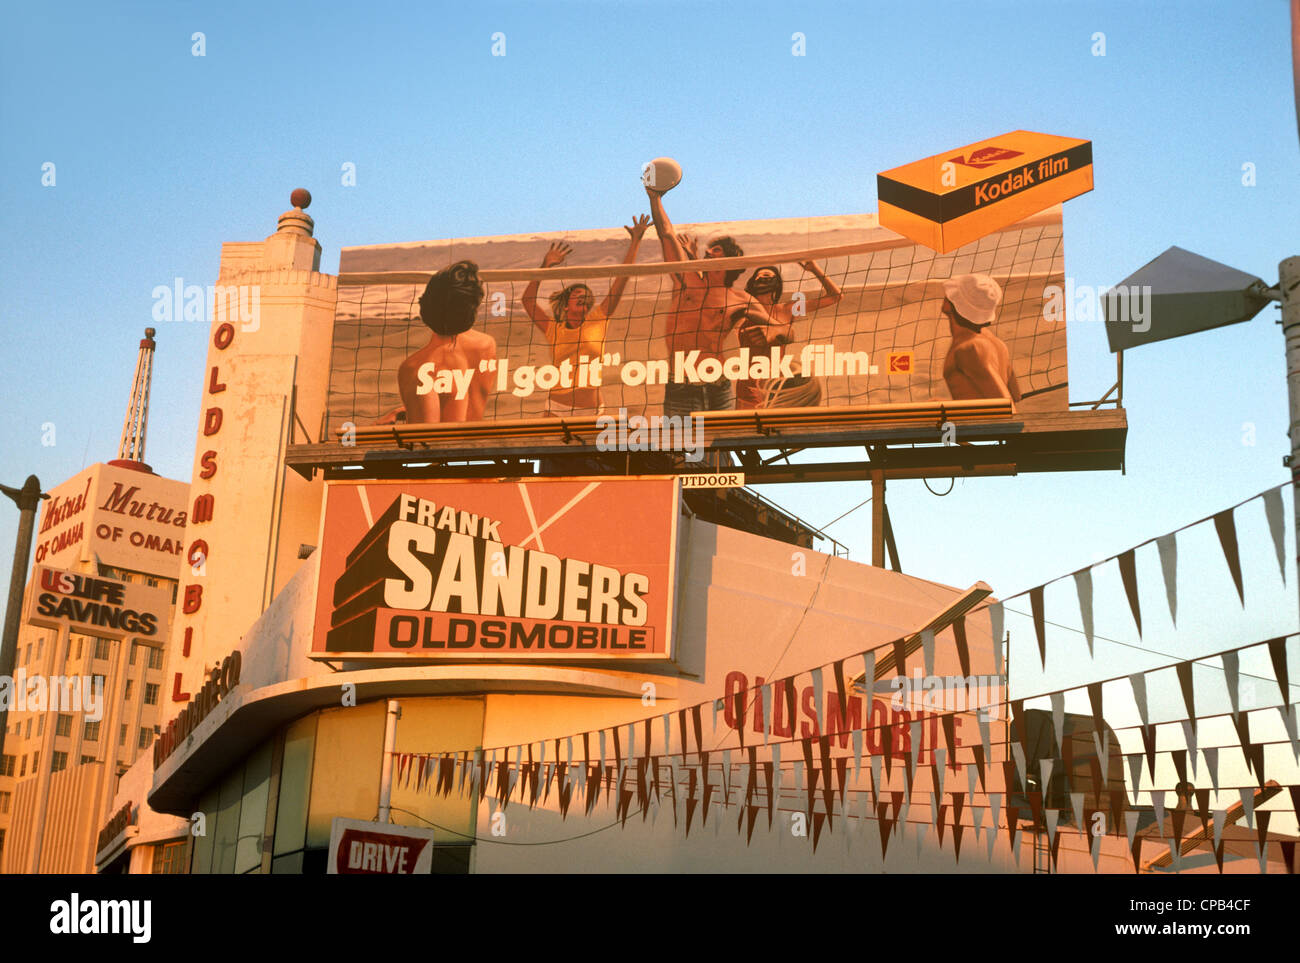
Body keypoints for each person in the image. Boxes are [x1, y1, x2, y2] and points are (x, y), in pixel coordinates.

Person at [644, 180, 768, 416]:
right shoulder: (686, 280)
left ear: (727, 262)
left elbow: (777, 325)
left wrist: (770, 333)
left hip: (717, 382)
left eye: (716, 251)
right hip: (680, 382)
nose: (708, 252)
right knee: (678, 450)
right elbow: (667, 235)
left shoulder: (740, 299)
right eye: (709, 250)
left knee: (721, 451)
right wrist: (655, 199)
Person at [520, 215, 650, 413]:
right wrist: (545, 266)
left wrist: (636, 241)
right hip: (557, 409)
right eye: (578, 294)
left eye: (587, 296)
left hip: (592, 410)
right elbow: (527, 301)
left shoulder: (598, 320)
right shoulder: (553, 329)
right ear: (565, 306)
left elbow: (622, 278)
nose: (584, 297)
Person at [396, 260, 498, 424]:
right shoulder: (486, 345)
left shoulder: (416, 368)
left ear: (426, 305)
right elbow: (459, 402)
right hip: (477, 440)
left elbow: (429, 437)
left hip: (451, 446)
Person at [735, 262, 842, 409]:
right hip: (748, 385)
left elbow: (835, 296)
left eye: (765, 275)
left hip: (776, 386)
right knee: (745, 430)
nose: (760, 278)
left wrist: (814, 268)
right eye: (757, 277)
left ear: (776, 283)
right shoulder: (742, 310)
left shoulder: (788, 310)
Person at [940, 274, 1022, 403]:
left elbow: (1006, 405)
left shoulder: (970, 349)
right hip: (977, 420)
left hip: (976, 423)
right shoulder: (995, 342)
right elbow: (1016, 396)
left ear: (951, 305)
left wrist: (945, 408)